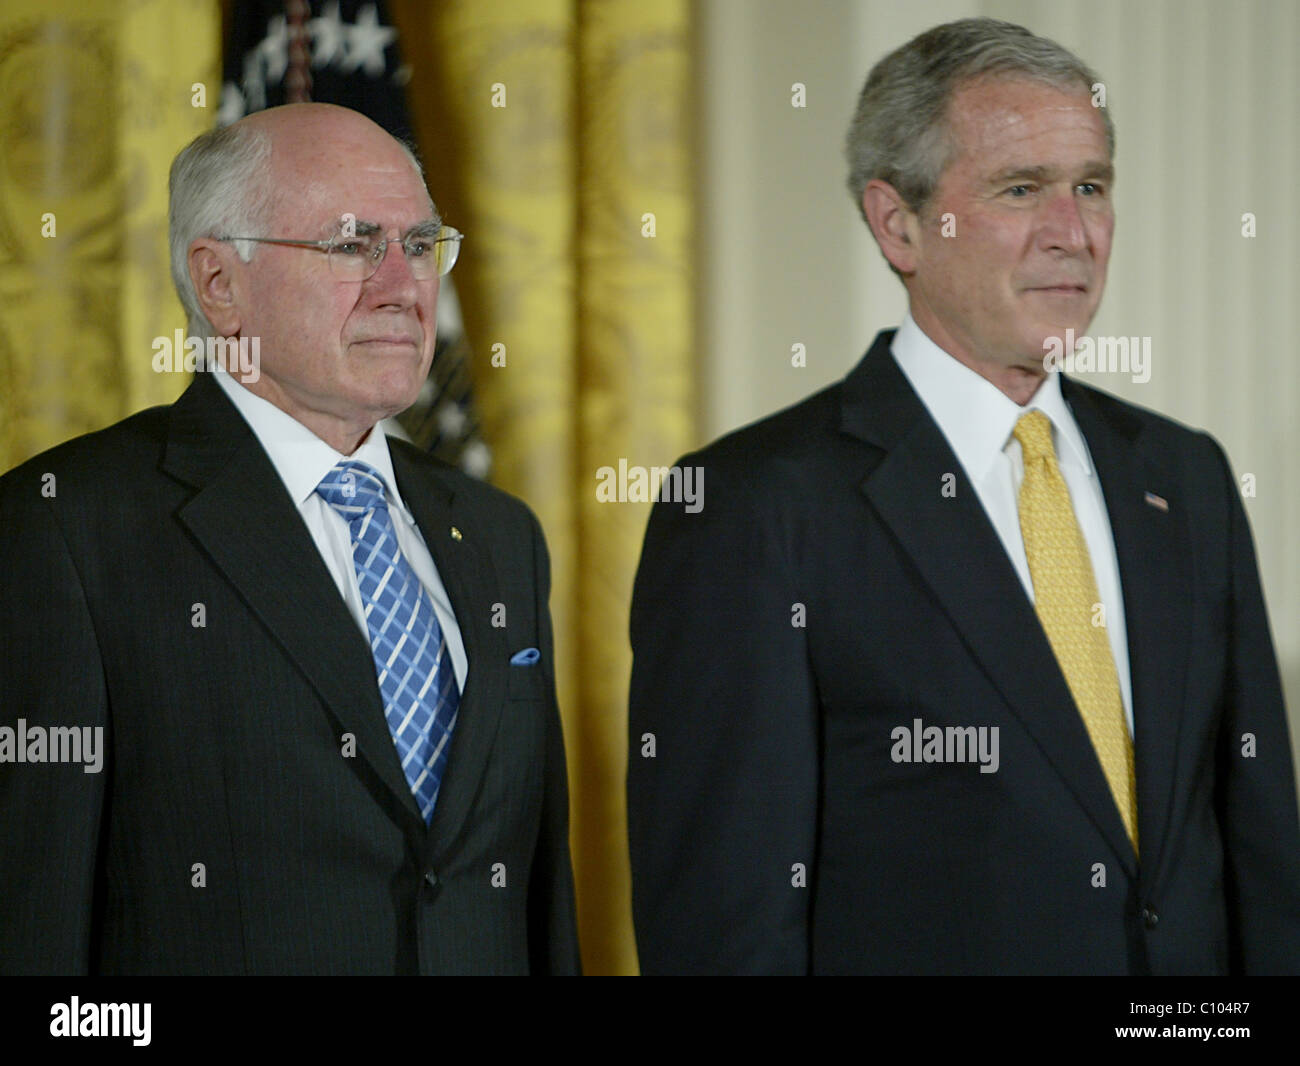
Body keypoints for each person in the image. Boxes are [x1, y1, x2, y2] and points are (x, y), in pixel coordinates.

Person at [627, 17, 1300, 975]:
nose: (1073, 234)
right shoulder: (757, 506)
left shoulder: (1183, 477)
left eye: (1092, 188)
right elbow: (726, 924)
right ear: (898, 223)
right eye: (1021, 189)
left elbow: (1263, 858)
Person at [0, 103, 580, 975]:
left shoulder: (499, 535)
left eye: (420, 244)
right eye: (352, 244)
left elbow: (535, 906)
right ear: (219, 284)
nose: (402, 284)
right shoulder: (65, 527)